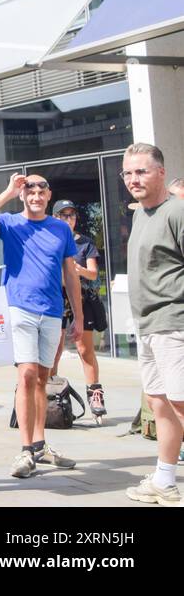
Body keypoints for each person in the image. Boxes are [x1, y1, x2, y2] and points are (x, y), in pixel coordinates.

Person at [0, 173, 83, 478]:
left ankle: (40, 445)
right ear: (23, 194)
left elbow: (70, 275)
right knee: (26, 375)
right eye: (30, 189)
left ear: (49, 195)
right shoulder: (10, 223)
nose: (36, 193)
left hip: (52, 312)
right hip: (20, 308)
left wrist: (78, 317)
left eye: (42, 189)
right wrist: (7, 190)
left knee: (43, 378)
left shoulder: (60, 229)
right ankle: (25, 450)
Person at [119, 143, 184, 505]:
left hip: (175, 323)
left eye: (141, 171)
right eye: (128, 173)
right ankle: (164, 480)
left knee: (180, 401)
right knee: (159, 403)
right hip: (148, 326)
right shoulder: (142, 214)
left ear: (161, 171)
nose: (133, 179)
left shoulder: (177, 212)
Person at [48, 199, 106, 421]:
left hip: (82, 299)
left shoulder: (85, 243)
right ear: (55, 218)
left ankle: (95, 396)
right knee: (55, 349)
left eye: (71, 215)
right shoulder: (51, 240)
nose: (68, 219)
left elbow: (93, 273)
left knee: (84, 349)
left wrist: (78, 269)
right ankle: (51, 396)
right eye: (64, 215)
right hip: (58, 299)